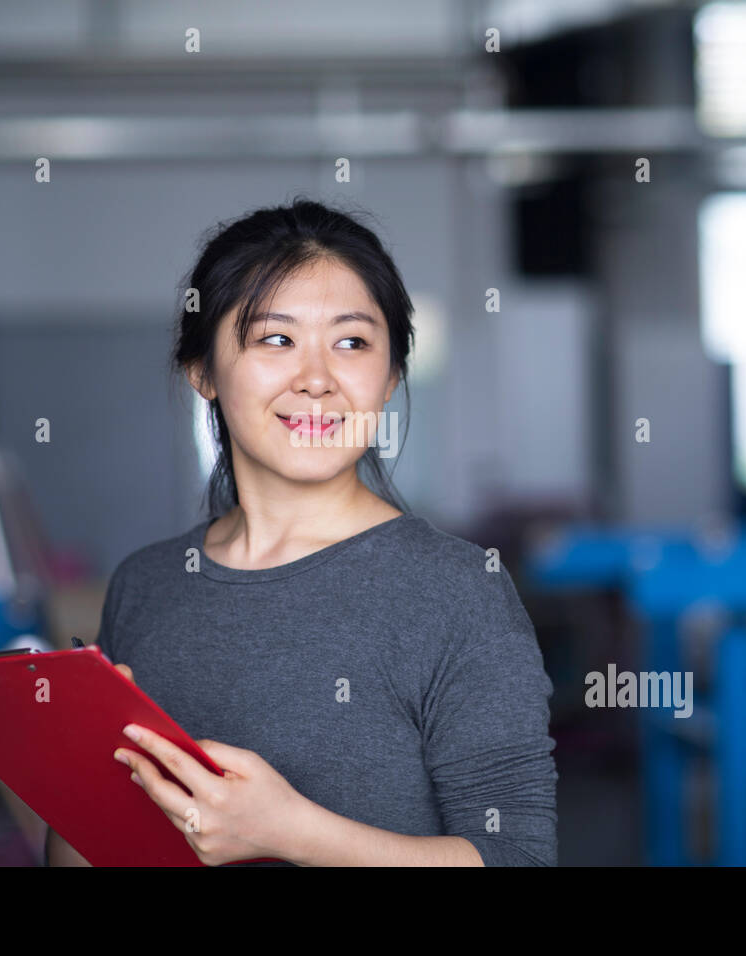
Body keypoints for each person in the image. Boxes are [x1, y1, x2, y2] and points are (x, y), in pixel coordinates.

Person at [47, 197, 557, 866]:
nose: (316, 379)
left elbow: (520, 858)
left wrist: (289, 832)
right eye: (275, 339)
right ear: (201, 370)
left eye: (351, 342)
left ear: (391, 375)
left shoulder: (456, 592)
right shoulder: (148, 583)